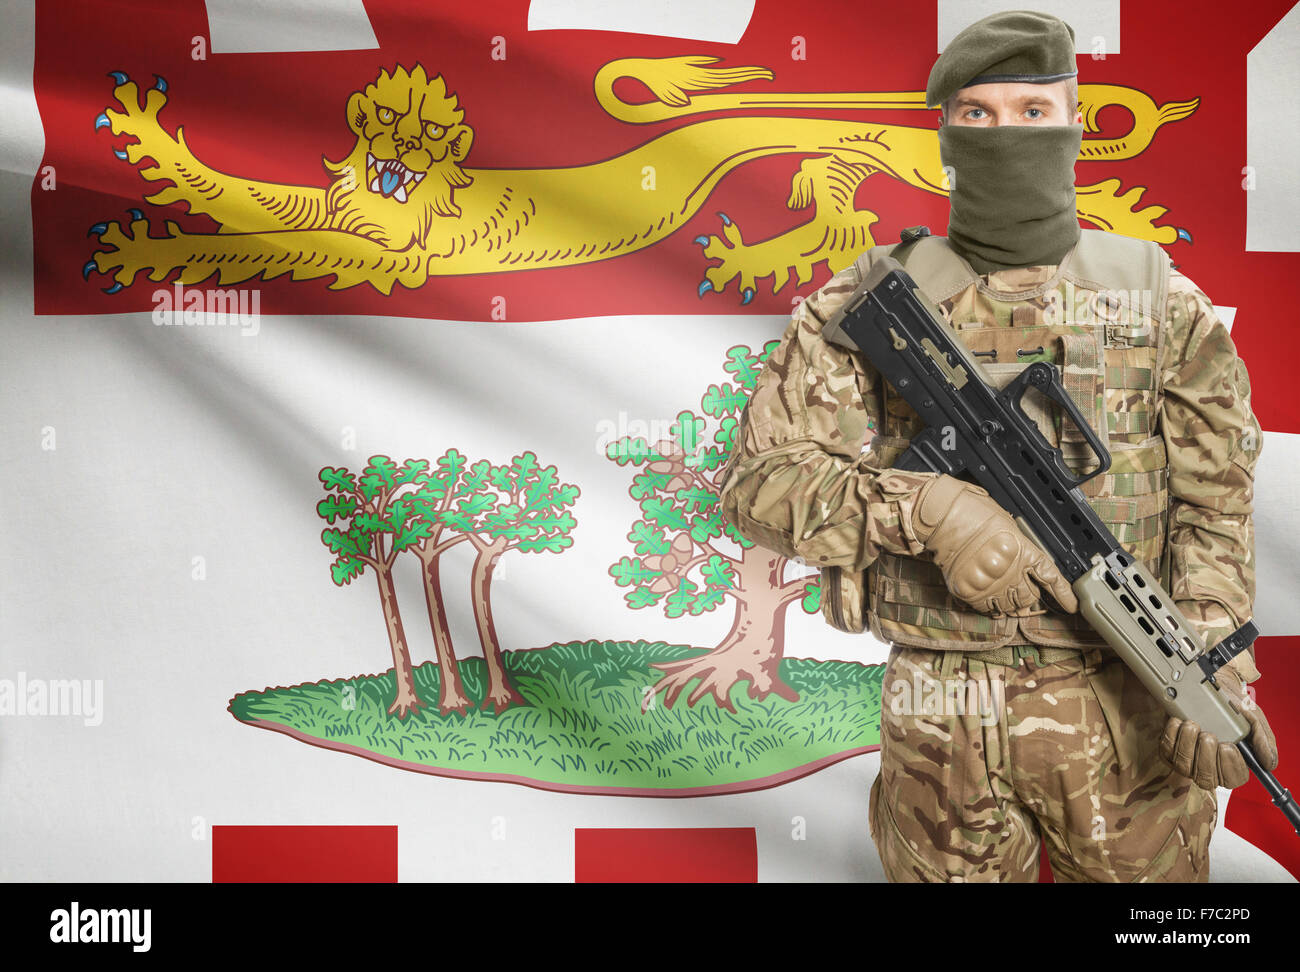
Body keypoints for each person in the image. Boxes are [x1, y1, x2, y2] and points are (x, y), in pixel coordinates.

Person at [717, 9, 1278, 881]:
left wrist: (1208, 667)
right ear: (945, 132)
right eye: (976, 114)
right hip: (941, 718)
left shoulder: (1163, 302)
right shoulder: (871, 298)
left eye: (1031, 111)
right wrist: (930, 508)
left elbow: (1217, 506)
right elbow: (760, 482)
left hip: (1127, 722)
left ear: (1074, 125)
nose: (1003, 134)